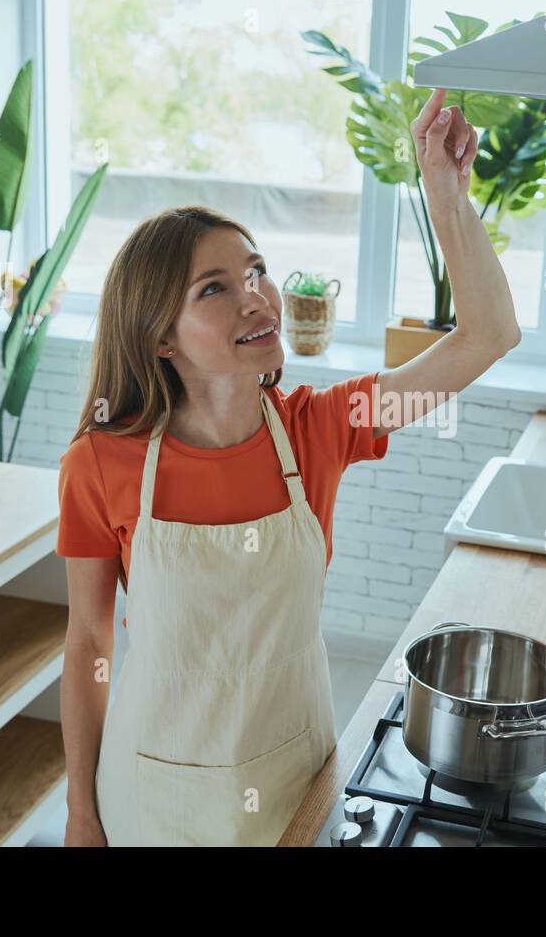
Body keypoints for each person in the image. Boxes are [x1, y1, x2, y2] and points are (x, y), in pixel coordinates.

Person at [56, 88, 521, 846]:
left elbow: (490, 334)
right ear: (161, 339)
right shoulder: (101, 462)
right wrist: (81, 812)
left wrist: (445, 193)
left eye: (256, 271)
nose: (256, 297)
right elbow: (89, 644)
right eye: (216, 288)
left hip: (293, 785)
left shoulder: (322, 427)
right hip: (150, 797)